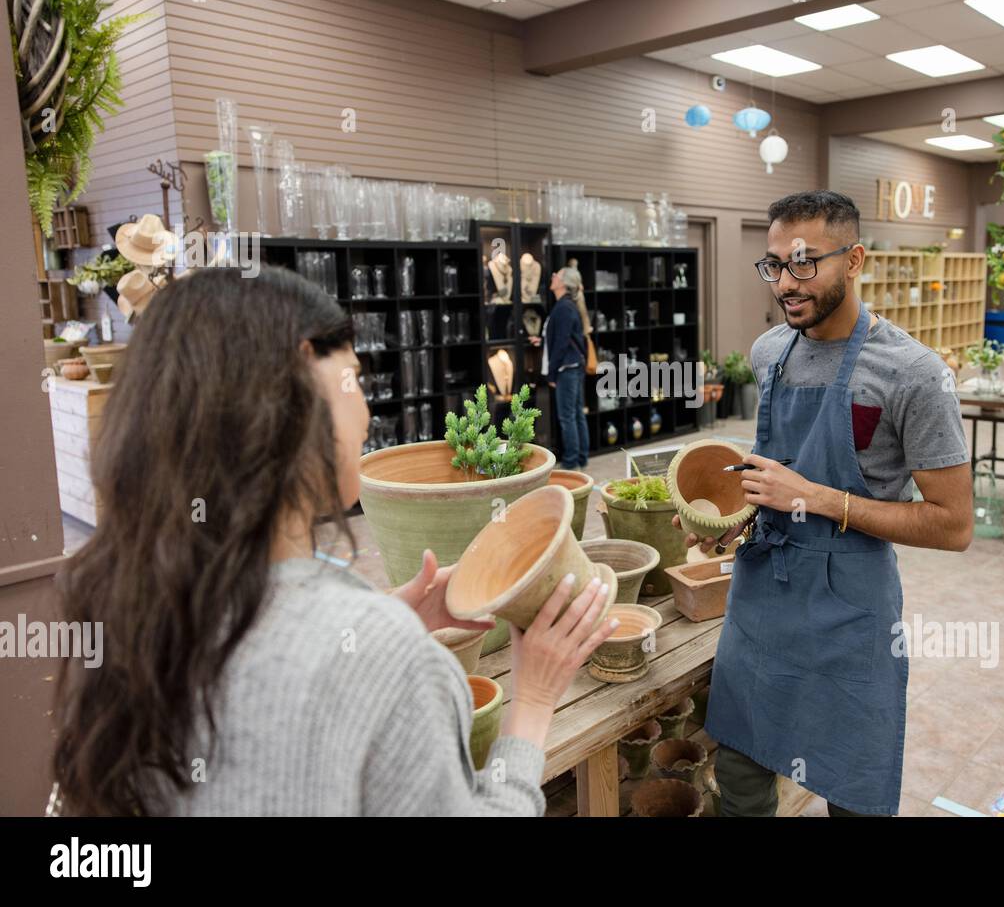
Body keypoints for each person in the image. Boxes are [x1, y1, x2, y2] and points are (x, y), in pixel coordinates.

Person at [50, 267, 616, 815]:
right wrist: (535, 702)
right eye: (353, 378)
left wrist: (365, 625)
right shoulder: (389, 658)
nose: (368, 413)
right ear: (297, 386)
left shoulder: (133, 607)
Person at [676, 190, 972, 817]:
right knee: (740, 764)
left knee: (852, 783)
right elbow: (775, 477)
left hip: (850, 609)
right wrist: (731, 520)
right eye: (774, 264)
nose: (786, 282)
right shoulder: (769, 353)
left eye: (805, 263)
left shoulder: (913, 374)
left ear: (856, 259)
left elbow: (954, 525)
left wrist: (816, 498)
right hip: (763, 594)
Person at [540, 266, 590, 470]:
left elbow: (561, 343)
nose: (552, 276)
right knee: (576, 413)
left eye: (556, 275)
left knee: (567, 416)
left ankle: (570, 462)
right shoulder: (567, 306)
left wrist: (551, 372)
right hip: (573, 366)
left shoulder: (563, 308)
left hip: (566, 368)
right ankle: (581, 457)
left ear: (563, 283)